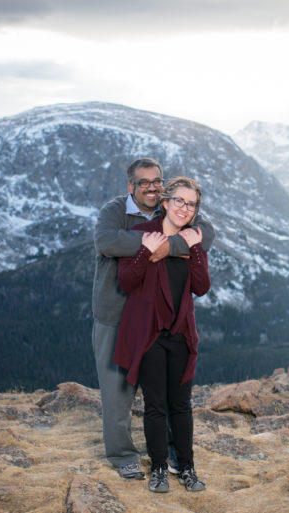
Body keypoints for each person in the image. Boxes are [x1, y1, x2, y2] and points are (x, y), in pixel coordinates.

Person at [92, 159, 215, 480]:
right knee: (117, 390)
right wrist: (161, 245)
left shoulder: (170, 207)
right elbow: (108, 243)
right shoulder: (115, 211)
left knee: (165, 392)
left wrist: (164, 245)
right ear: (130, 186)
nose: (151, 186)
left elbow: (206, 234)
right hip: (114, 314)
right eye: (143, 181)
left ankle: (171, 452)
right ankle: (122, 455)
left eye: (156, 180)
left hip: (156, 317)